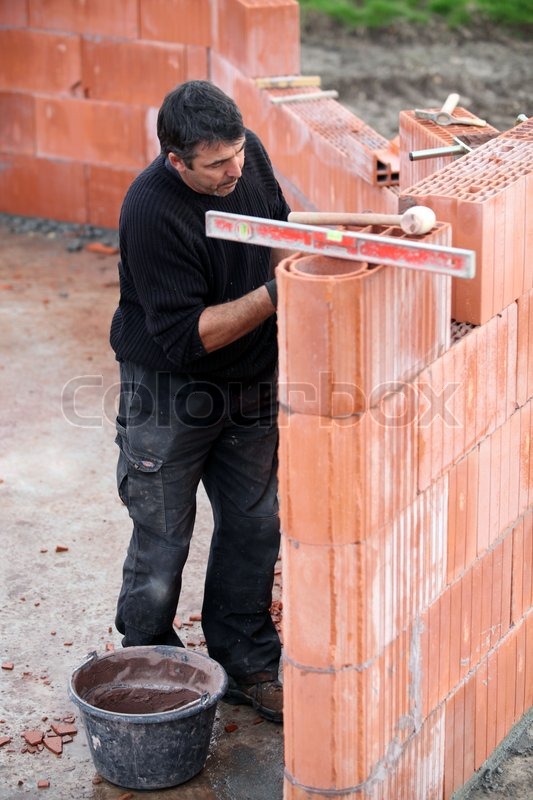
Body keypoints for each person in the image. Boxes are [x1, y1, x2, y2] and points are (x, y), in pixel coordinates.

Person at [109, 80, 291, 723]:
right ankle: (151, 662)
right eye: (217, 163)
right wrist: (275, 295)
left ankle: (247, 660)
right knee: (162, 533)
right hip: (172, 389)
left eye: (238, 152)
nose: (235, 171)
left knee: (254, 524)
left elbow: (279, 231)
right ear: (175, 159)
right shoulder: (149, 210)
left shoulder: (249, 157)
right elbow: (188, 339)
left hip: (250, 385)